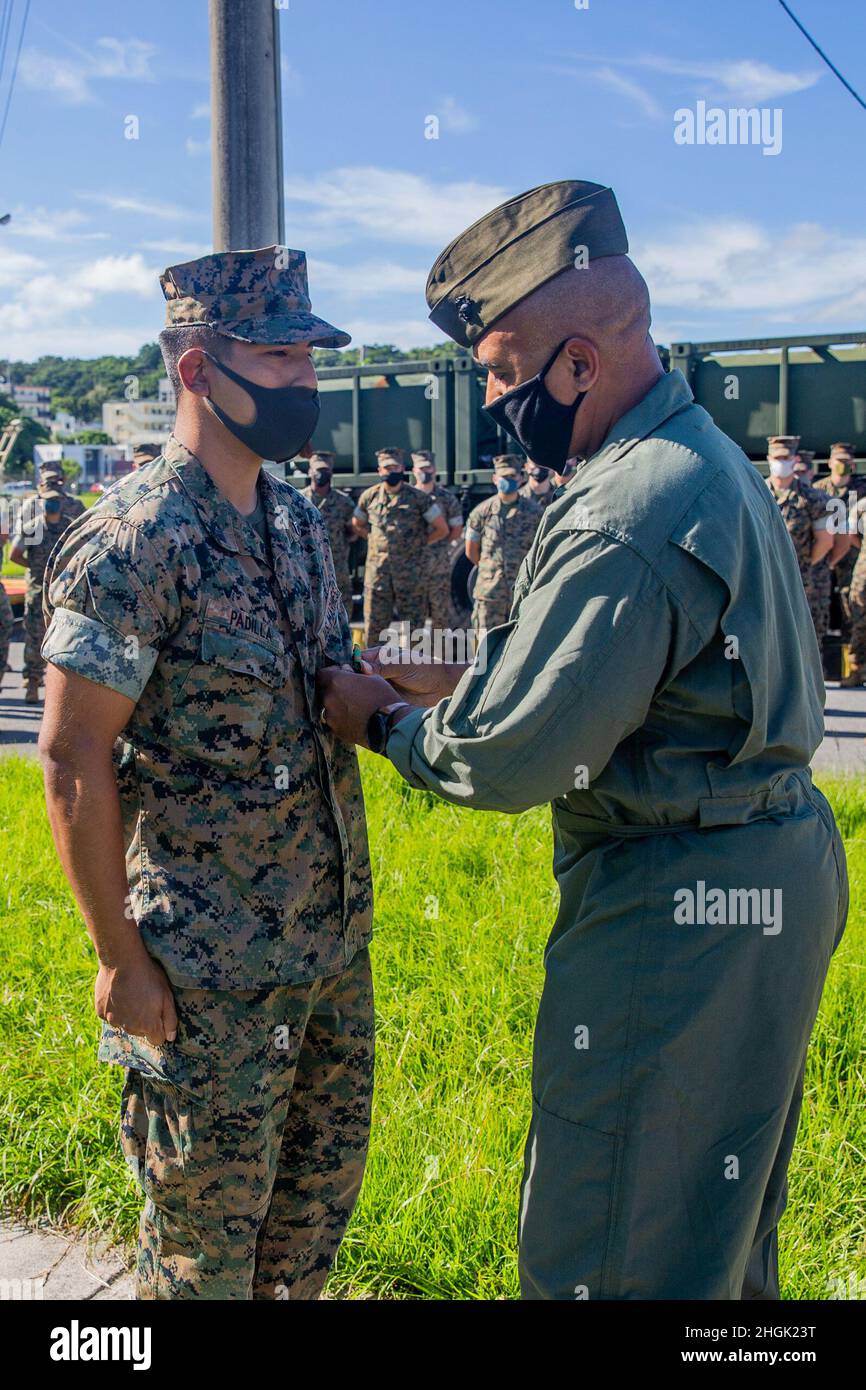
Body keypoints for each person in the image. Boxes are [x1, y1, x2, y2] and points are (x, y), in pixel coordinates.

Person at [317, 178, 847, 1301]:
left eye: (506, 375)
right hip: (763, 869)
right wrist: (480, 672)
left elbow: (509, 760)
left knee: (607, 1238)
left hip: (673, 906)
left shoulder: (620, 510)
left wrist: (387, 722)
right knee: (710, 1226)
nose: (497, 404)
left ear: (577, 364)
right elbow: (646, 677)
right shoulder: (694, 454)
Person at [37, 245, 374, 1300]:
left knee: (300, 1249)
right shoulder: (136, 540)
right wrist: (117, 958)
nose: (302, 385)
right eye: (277, 358)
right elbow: (71, 749)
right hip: (202, 976)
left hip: (326, 950)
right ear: (196, 369)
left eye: (309, 361)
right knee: (199, 1266)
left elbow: (328, 685)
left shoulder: (294, 521)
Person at [353, 446, 448, 648]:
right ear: (380, 471)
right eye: (386, 468)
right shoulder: (369, 497)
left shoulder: (419, 498)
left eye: (395, 467)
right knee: (374, 631)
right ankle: (374, 675)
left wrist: (418, 544)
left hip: (410, 577)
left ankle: (411, 676)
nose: (390, 471)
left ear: (402, 468)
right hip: (378, 576)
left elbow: (441, 528)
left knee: (413, 631)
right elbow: (357, 523)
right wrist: (372, 539)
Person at [764, 436, 836, 651]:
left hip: (801, 583)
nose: (781, 462)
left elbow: (825, 541)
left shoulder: (814, 498)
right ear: (769, 459)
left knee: (804, 639)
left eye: (786, 457)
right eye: (777, 457)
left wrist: (801, 565)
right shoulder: (755, 491)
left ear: (795, 459)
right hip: (764, 579)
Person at [465, 455, 541, 634]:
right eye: (504, 477)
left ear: (520, 478)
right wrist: (490, 570)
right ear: (495, 479)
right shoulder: (481, 512)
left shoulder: (535, 513)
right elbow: (471, 551)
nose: (508, 481)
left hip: (522, 595)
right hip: (490, 595)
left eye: (512, 477)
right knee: (484, 652)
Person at [9, 488, 73, 703]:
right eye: (48, 500)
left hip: (64, 594)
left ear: (62, 502)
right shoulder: (33, 528)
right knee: (35, 639)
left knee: (65, 643)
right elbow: (14, 555)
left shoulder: (70, 527)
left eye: (55, 500)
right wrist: (36, 569)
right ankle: (33, 683)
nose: (52, 504)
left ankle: (62, 693)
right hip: (38, 592)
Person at [411, 449, 463, 630]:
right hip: (411, 569)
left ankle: (437, 657)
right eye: (421, 468)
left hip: (438, 567)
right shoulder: (407, 497)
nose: (425, 472)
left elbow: (456, 530)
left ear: (434, 470)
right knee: (412, 620)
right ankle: (411, 658)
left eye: (429, 468)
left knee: (440, 618)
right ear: (414, 471)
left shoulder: (447, 498)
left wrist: (437, 544)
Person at [301, 449, 356, 616]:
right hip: (305, 568)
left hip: (337, 568)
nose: (321, 474)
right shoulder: (298, 500)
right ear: (310, 471)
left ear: (331, 472)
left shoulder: (343, 502)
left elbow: (353, 534)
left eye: (325, 470)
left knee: (343, 614)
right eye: (318, 470)